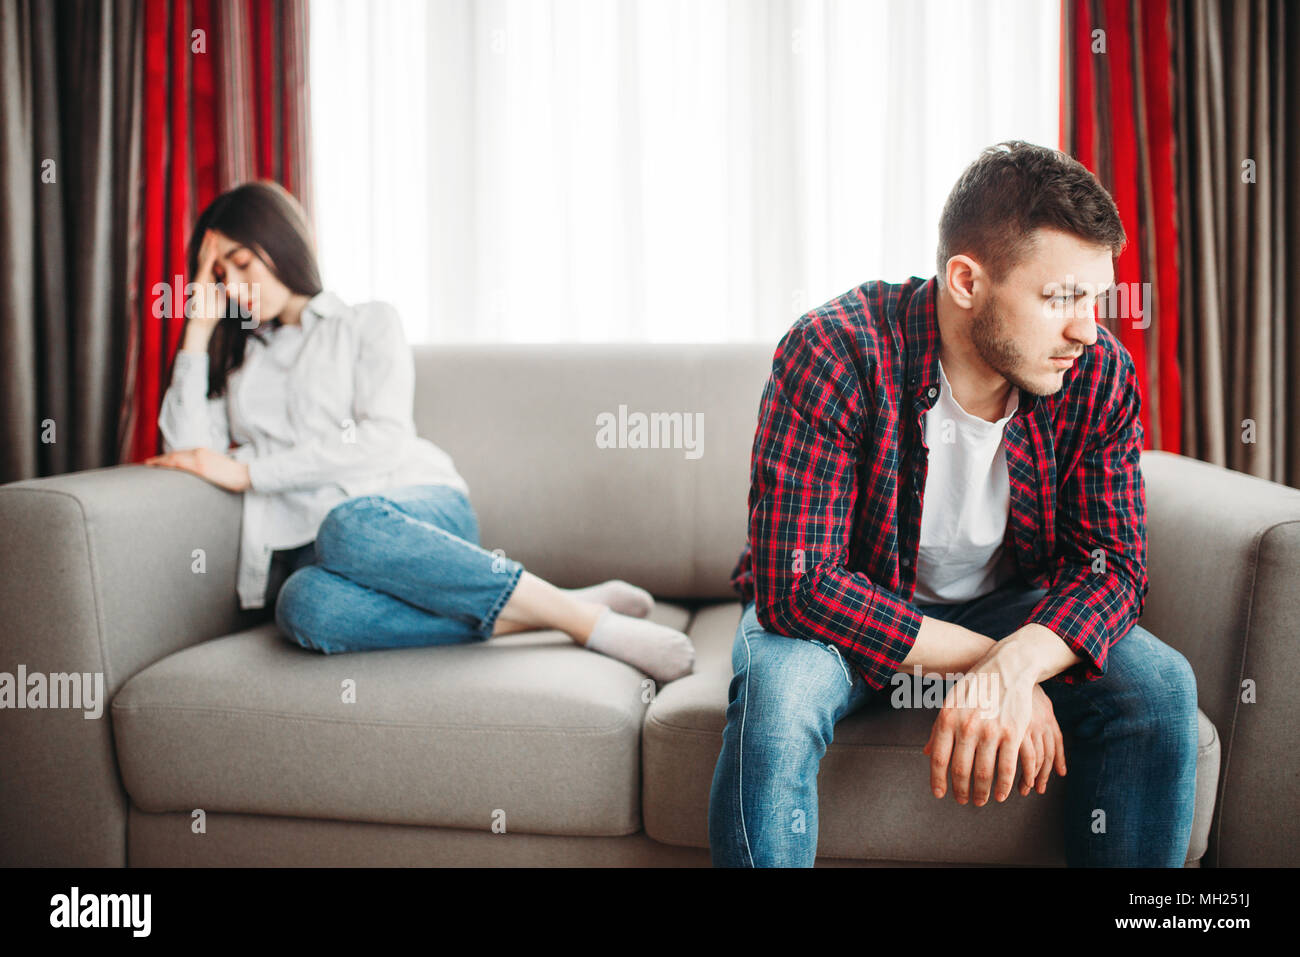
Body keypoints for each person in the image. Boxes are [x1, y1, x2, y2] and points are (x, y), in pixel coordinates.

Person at [708, 141, 1199, 867]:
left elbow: (1113, 571)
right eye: (1060, 297)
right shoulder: (835, 351)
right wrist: (997, 667)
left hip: (1006, 603)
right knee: (776, 707)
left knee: (1160, 690)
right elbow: (801, 584)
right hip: (847, 609)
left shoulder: (1097, 375)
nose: (1087, 329)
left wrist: (1022, 656)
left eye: (1094, 299)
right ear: (967, 280)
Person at [146, 181, 694, 683]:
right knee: (302, 607)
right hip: (315, 551)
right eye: (221, 278)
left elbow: (382, 437)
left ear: (278, 240)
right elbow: (186, 452)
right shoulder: (245, 368)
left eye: (242, 265)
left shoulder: (368, 322)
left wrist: (250, 473)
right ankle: (545, 607)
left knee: (344, 525)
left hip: (410, 515)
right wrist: (196, 329)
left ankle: (584, 622)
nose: (236, 288)